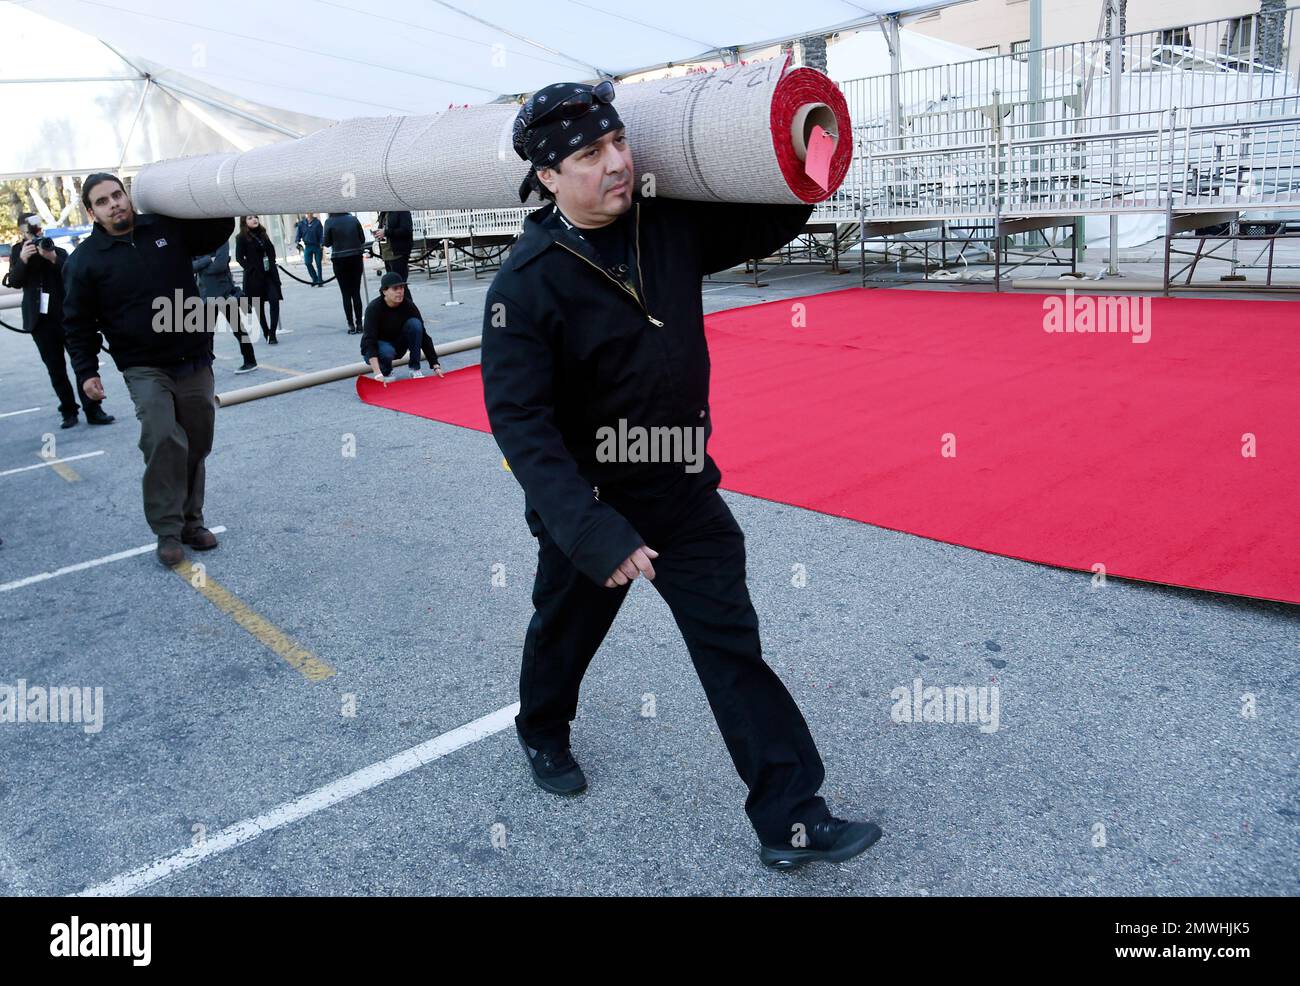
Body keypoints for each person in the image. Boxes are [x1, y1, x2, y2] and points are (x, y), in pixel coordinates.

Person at [481, 81, 881, 871]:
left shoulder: (667, 228)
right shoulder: (523, 288)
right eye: (591, 155)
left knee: (732, 647)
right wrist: (591, 528)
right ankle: (541, 729)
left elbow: (775, 213)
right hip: (594, 506)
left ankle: (789, 818)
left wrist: (811, 147)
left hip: (683, 489)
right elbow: (522, 429)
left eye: (620, 143)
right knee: (565, 632)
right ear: (548, 177)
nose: (619, 163)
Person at [62, 172, 234, 566]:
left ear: (128, 196)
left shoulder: (165, 228)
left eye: (117, 195)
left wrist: (225, 194)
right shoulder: (85, 261)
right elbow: (76, 323)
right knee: (161, 439)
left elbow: (215, 231)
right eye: (103, 202)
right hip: (144, 366)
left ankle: (193, 522)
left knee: (196, 442)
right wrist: (87, 372)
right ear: (92, 212)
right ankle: (167, 532)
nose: (114, 205)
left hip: (193, 356)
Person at [6, 214, 115, 429]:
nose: (36, 234)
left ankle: (94, 409)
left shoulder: (55, 249)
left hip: (65, 318)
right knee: (55, 368)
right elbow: (15, 281)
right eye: (30, 230)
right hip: (40, 322)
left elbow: (72, 273)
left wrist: (52, 257)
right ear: (23, 232)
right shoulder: (19, 252)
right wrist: (24, 259)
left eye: (37, 228)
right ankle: (68, 411)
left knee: (81, 364)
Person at [360, 272, 444, 383]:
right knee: (387, 351)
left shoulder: (408, 305)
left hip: (398, 346)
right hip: (378, 348)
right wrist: (377, 373)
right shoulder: (373, 308)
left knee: (415, 324)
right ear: (384, 291)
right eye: (395, 288)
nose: (400, 291)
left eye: (402, 287)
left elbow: (423, 335)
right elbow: (369, 341)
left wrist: (435, 365)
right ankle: (386, 371)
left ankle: (415, 368)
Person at [193, 240, 258, 373]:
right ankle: (206, 368)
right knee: (206, 334)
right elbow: (191, 267)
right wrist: (208, 260)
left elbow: (220, 265)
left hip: (224, 292)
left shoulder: (221, 239)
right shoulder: (195, 242)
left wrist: (203, 265)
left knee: (238, 329)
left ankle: (250, 360)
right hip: (206, 295)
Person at [234, 215, 282, 345]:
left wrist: (271, 262)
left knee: (274, 300)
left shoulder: (263, 233)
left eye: (255, 217)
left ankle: (272, 333)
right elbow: (239, 257)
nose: (254, 220)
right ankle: (266, 331)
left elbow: (271, 250)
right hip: (254, 277)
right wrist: (251, 269)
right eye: (250, 218)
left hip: (269, 275)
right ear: (244, 222)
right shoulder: (241, 237)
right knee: (258, 306)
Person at [323, 211, 366, 333]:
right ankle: (359, 324)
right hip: (355, 257)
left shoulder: (329, 222)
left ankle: (351, 324)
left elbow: (327, 243)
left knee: (345, 293)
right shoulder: (353, 219)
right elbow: (362, 239)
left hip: (339, 259)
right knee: (356, 292)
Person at [375, 210, 413, 283]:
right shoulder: (383, 213)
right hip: (386, 253)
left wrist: (386, 232)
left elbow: (406, 230)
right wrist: (379, 234)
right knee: (392, 285)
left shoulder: (401, 211)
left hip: (398, 253)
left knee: (399, 284)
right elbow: (383, 228)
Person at [293, 212, 325, 286]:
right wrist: (297, 240)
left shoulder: (317, 222)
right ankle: (315, 279)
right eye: (307, 212)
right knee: (307, 263)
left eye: (310, 212)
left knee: (318, 264)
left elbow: (321, 234)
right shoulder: (302, 223)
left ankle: (320, 281)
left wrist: (321, 243)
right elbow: (299, 233)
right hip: (308, 246)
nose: (309, 213)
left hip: (317, 246)